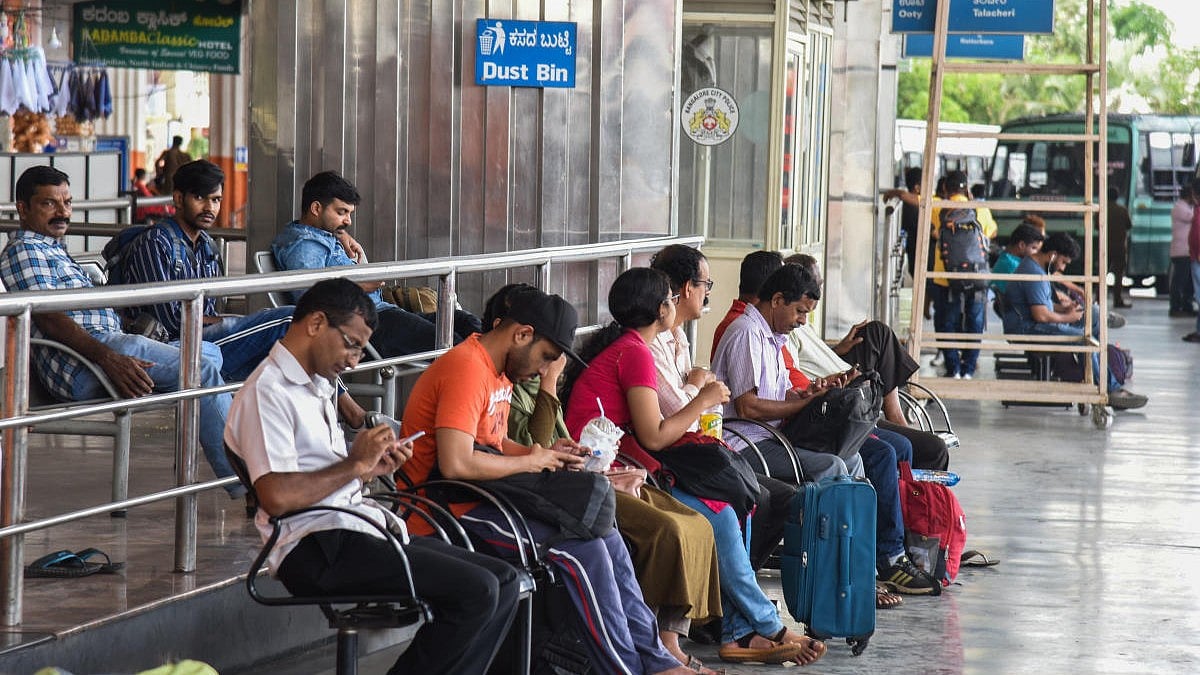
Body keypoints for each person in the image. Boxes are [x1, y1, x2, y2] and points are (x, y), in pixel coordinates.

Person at [224, 277, 521, 674]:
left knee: (504, 580)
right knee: (477, 591)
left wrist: (368, 467)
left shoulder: (317, 385)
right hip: (314, 546)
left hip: (351, 527)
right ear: (316, 324)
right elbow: (275, 496)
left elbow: (322, 474)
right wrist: (354, 465)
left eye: (360, 350)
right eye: (351, 344)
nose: (353, 361)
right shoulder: (269, 391)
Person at [398, 286, 695, 675]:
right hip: (443, 511)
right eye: (546, 357)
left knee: (606, 535)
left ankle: (657, 662)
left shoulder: (498, 372)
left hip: (483, 499)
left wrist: (545, 454)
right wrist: (532, 462)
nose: (543, 371)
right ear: (522, 334)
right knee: (582, 551)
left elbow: (492, 444)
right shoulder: (467, 368)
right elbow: (456, 463)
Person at [563, 268, 825, 666]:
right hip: (611, 469)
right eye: (670, 298)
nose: (678, 302)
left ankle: (741, 633)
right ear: (660, 309)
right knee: (709, 519)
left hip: (633, 461)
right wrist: (702, 398)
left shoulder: (638, 346)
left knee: (731, 504)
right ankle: (753, 628)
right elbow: (655, 434)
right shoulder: (635, 352)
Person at [485, 283, 723, 674]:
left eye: (552, 358)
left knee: (687, 524)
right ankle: (645, 659)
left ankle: (661, 653)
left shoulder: (511, 377)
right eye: (546, 355)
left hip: (577, 477)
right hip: (522, 496)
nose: (547, 365)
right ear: (513, 332)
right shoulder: (501, 379)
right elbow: (500, 453)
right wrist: (549, 388)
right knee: (642, 532)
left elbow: (531, 448)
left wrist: (568, 456)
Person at [0, 165, 241, 496]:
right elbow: (50, 318)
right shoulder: (25, 250)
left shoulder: (54, 249)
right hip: (86, 361)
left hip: (109, 347)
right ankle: (248, 486)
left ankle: (242, 467)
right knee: (200, 369)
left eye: (67, 203)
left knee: (210, 353)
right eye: (49, 203)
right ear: (23, 208)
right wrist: (108, 358)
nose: (63, 212)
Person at [711, 263, 934, 596]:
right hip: (745, 443)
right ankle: (833, 573)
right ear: (777, 300)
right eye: (800, 311)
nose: (803, 321)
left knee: (854, 460)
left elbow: (780, 394)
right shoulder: (746, 333)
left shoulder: (772, 337)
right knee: (832, 466)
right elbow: (748, 407)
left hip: (771, 436)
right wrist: (803, 405)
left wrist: (810, 393)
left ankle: (857, 566)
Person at [648, 245, 798, 571]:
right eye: (706, 284)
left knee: (783, 496)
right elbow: (679, 409)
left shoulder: (678, 336)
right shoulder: (650, 344)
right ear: (687, 288)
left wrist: (704, 392)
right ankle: (734, 585)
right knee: (759, 495)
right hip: (677, 458)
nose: (708, 293)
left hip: (703, 443)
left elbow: (700, 404)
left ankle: (741, 579)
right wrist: (702, 390)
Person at [271, 171, 481, 358]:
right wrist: (358, 286)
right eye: (341, 212)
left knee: (467, 323)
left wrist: (341, 235)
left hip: (382, 312)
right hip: (366, 325)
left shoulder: (321, 234)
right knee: (453, 344)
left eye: (349, 214)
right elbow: (310, 299)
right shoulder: (304, 246)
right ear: (316, 208)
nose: (348, 221)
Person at [119, 160, 295, 382]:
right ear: (179, 199)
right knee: (289, 320)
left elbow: (207, 312)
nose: (209, 208)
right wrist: (225, 322)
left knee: (278, 350)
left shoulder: (206, 246)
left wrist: (226, 322)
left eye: (216, 200)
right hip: (171, 348)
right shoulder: (155, 243)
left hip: (203, 340)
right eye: (200, 198)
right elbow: (173, 323)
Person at [783, 253, 951, 473]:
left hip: (842, 377)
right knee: (930, 448)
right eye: (815, 284)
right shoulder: (788, 324)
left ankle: (892, 413)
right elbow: (796, 377)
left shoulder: (802, 319)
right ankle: (893, 417)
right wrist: (828, 386)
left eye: (820, 284)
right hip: (838, 396)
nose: (819, 291)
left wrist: (838, 349)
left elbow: (810, 358)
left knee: (873, 332)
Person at [1003, 232, 1148, 409]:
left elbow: (1040, 304)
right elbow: (1041, 315)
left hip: (1036, 323)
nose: (1063, 268)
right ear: (1053, 255)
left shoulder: (1037, 268)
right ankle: (1109, 388)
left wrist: (1063, 309)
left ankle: (1096, 375)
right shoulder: (1034, 273)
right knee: (1084, 340)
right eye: (1063, 262)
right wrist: (1068, 317)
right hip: (1027, 328)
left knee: (1093, 317)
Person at [930, 170, 996, 379]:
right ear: (966, 189)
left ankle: (954, 368)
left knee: (946, 323)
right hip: (976, 276)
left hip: (946, 277)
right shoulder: (980, 208)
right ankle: (969, 369)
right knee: (975, 322)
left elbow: (916, 199)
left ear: (944, 188)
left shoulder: (938, 206)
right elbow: (991, 232)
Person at [883, 166, 922, 279]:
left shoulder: (908, 206)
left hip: (914, 259)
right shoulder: (915, 208)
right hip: (920, 260)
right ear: (917, 188)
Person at [990, 223, 1045, 297]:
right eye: (1034, 248)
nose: (1036, 253)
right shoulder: (1011, 265)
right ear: (1021, 245)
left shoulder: (1010, 260)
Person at [1169, 181, 1197, 318]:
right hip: (1181, 252)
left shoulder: (1186, 207)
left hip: (1186, 251)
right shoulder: (1180, 208)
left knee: (1188, 282)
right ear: (1189, 195)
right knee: (1179, 281)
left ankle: (1187, 306)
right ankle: (1175, 307)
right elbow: (1194, 218)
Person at [1107, 187, 1133, 308]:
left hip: (1105, 246)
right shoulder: (1122, 210)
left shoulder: (1102, 209)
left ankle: (1098, 299)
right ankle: (1117, 300)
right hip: (1120, 246)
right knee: (1118, 275)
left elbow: (1096, 225)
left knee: (1102, 273)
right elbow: (1129, 225)